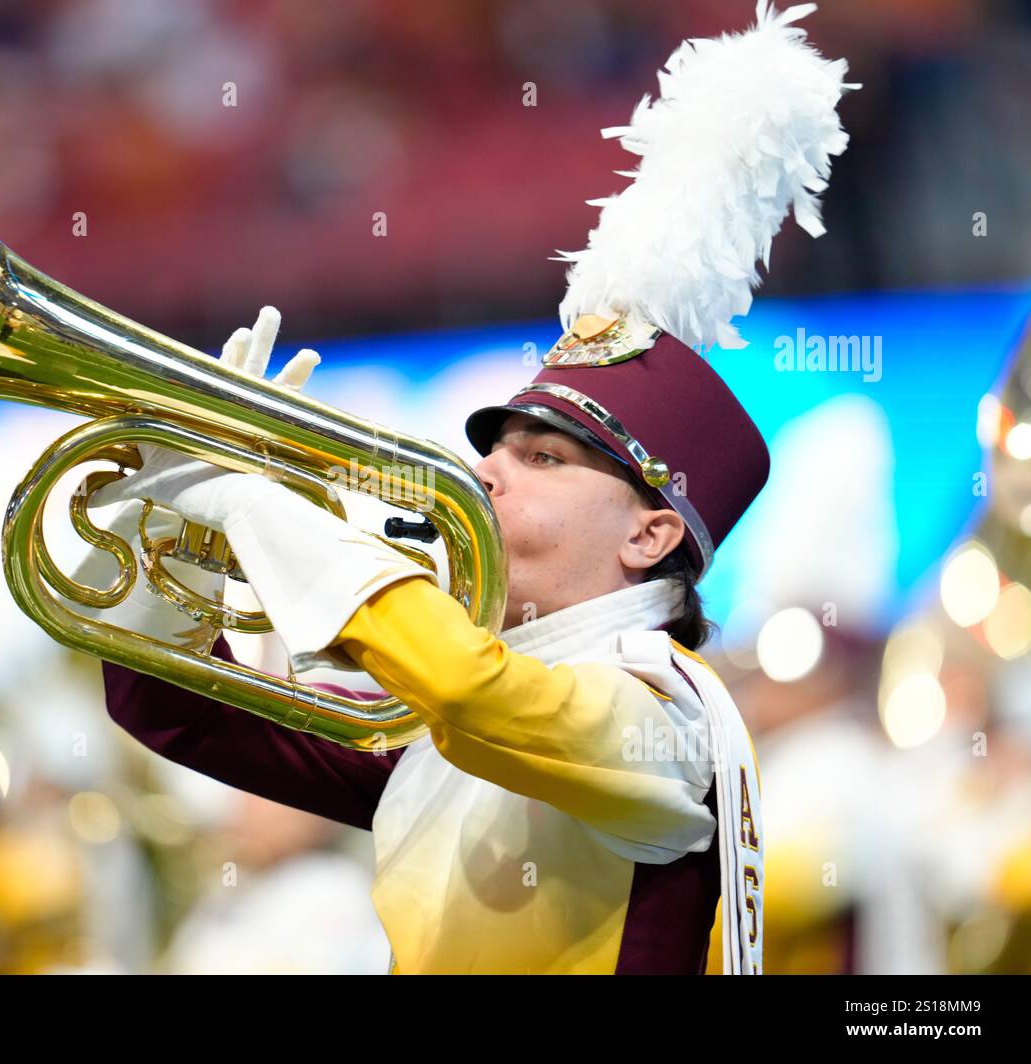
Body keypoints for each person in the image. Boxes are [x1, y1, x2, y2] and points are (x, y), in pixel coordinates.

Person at [77, 1, 856, 974]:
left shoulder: (661, 712)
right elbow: (175, 710)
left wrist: (256, 502)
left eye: (542, 457)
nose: (484, 468)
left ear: (650, 535)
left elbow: (465, 683)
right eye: (498, 447)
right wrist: (182, 527)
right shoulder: (448, 737)